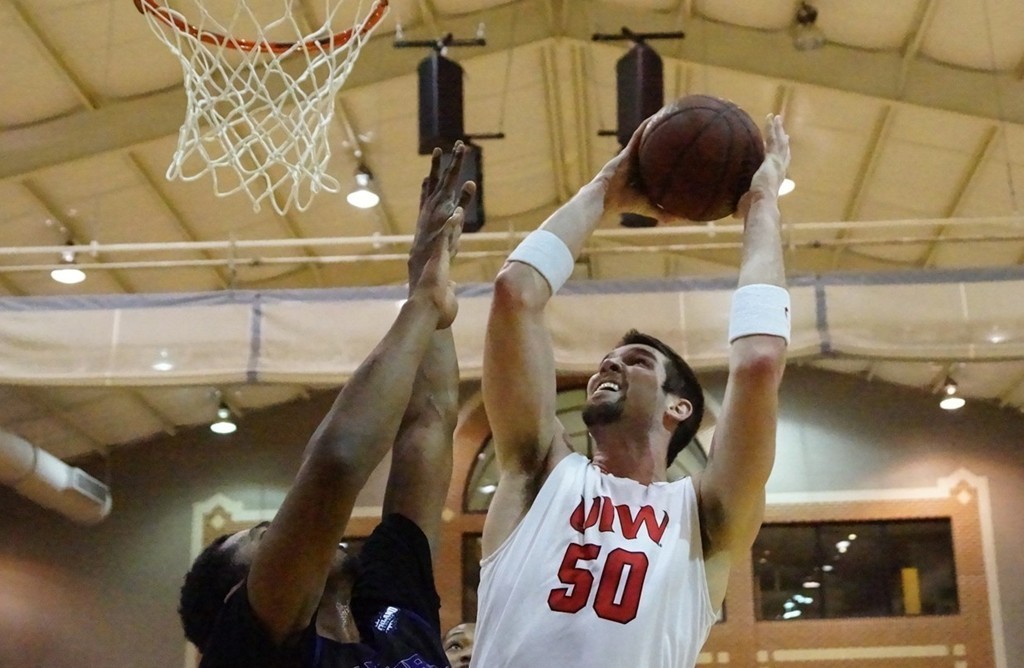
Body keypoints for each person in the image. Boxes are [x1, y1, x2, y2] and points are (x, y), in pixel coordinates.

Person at [471, 115, 791, 668]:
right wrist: (603, 191)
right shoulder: (537, 471)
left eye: (635, 361)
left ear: (679, 406)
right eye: (605, 363)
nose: (608, 368)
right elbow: (513, 293)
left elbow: (760, 361)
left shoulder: (705, 516)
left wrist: (762, 208)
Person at [178, 142, 476, 668]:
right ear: (237, 600)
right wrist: (422, 305)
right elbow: (336, 464)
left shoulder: (389, 614)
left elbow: (430, 421)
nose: (294, 531)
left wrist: (427, 271)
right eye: (267, 537)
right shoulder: (253, 650)